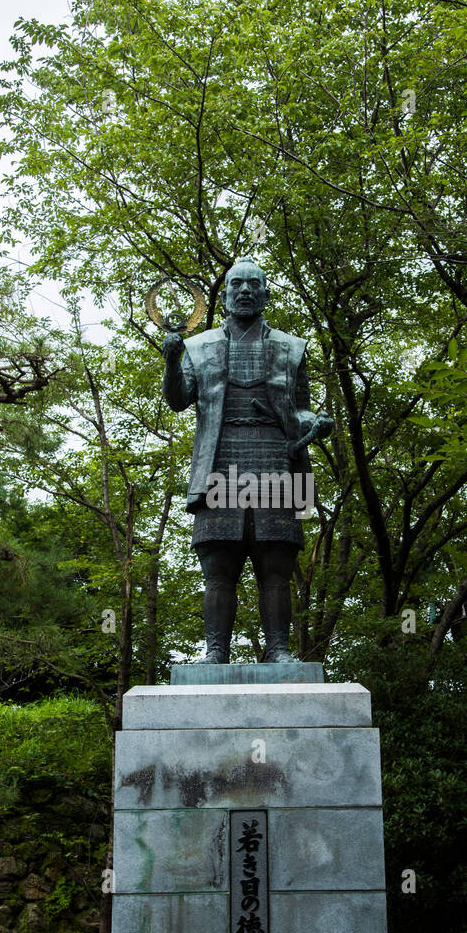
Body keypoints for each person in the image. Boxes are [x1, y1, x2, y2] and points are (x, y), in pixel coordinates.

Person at [162, 257, 332, 663]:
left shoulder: (291, 349)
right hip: (219, 460)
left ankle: (279, 650)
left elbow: (301, 409)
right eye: (236, 284)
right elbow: (177, 400)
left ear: (266, 294)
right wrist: (170, 360)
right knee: (219, 565)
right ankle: (215, 652)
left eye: (253, 285)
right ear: (224, 296)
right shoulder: (197, 347)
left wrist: (317, 421)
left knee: (276, 564)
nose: (244, 291)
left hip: (277, 459)